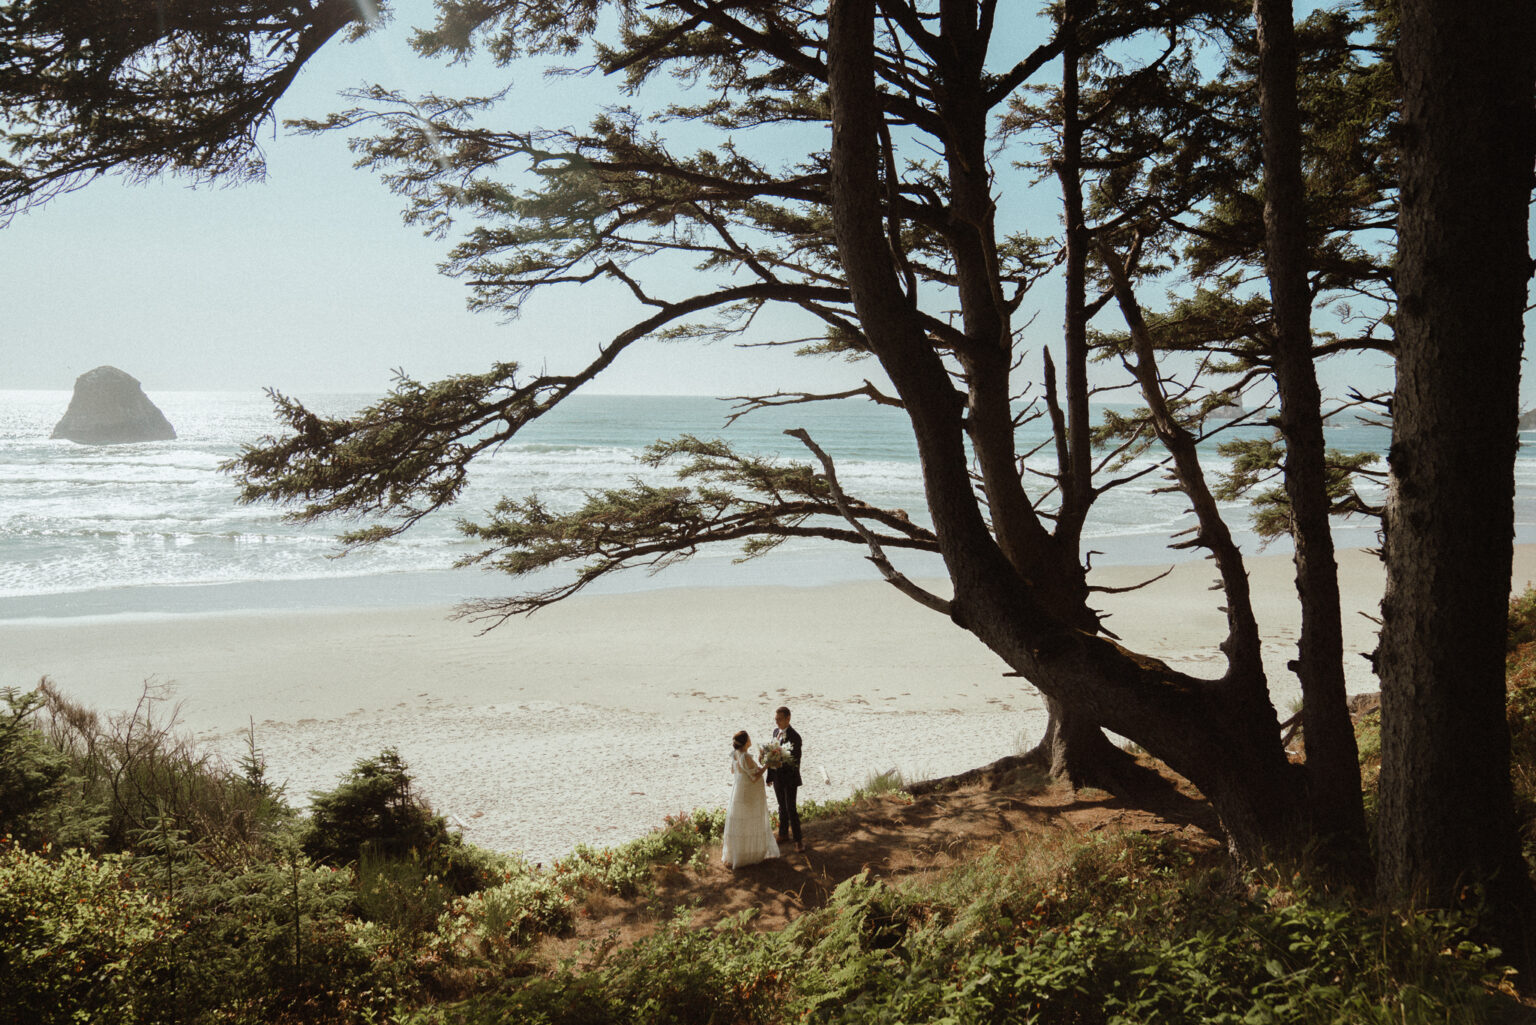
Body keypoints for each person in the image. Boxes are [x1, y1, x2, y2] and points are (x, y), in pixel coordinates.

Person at [721, 730, 780, 869]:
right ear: (745, 742)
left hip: (739, 789)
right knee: (751, 818)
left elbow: (733, 771)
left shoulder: (735, 754)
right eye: (748, 738)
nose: (750, 739)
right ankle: (751, 855)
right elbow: (755, 777)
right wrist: (768, 764)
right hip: (749, 791)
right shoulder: (745, 756)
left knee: (741, 820)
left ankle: (739, 853)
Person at [766, 706, 804, 851]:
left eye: (780, 719)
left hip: (789, 778)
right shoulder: (776, 732)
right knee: (782, 806)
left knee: (791, 808)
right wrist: (770, 775)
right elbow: (771, 754)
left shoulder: (795, 737)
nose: (777, 723)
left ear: (788, 718)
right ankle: (783, 833)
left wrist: (780, 762)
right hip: (777, 777)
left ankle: (798, 839)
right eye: (776, 719)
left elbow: (795, 760)